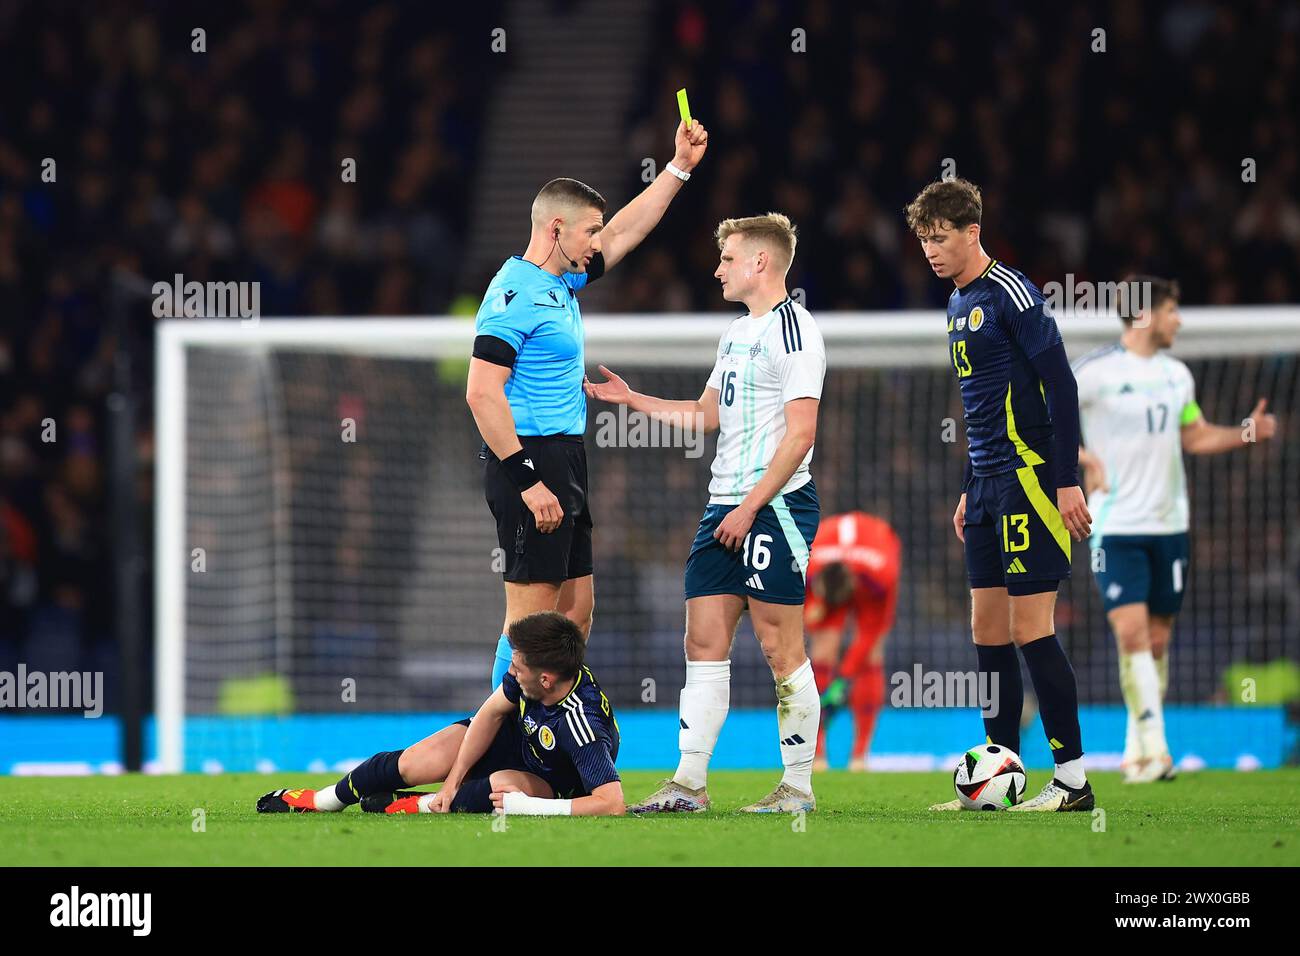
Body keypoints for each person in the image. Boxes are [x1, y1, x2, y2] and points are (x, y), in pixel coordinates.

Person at [586, 213, 826, 813]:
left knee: (779, 647)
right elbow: (705, 414)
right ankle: (688, 784)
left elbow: (800, 435)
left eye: (727, 258)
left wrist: (750, 507)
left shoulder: (794, 332)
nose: (716, 268)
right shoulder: (735, 334)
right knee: (702, 639)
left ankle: (797, 786)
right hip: (724, 505)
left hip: (776, 507)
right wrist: (632, 399)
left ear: (760, 263)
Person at [466, 118, 709, 688]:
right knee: (529, 623)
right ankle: (499, 740)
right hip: (530, 460)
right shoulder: (514, 294)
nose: (598, 243)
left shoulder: (562, 282)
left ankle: (542, 739)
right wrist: (528, 480)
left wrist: (678, 168)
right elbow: (481, 391)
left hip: (566, 457)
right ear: (556, 229)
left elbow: (626, 232)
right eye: (589, 232)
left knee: (574, 616)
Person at [907, 178, 1095, 812]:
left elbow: (1060, 388)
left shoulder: (1013, 293)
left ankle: (1072, 781)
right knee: (987, 631)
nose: (930, 251)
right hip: (986, 484)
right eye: (923, 241)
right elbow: (981, 408)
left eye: (939, 238)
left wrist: (1065, 479)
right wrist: (969, 486)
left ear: (971, 232)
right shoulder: (956, 303)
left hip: (1030, 478)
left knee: (1030, 628)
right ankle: (997, 779)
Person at [1074, 275, 1278, 783]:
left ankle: (1133, 748)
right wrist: (1077, 459)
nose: (1179, 320)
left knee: (1156, 642)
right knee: (1132, 632)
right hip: (1116, 525)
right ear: (1146, 314)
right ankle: (1157, 748)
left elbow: (1194, 434)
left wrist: (1245, 433)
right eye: (1171, 310)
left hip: (1170, 524)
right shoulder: (1095, 372)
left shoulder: (1177, 376)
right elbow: (1038, 416)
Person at [256, 611, 624, 816]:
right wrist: (453, 779)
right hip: (515, 739)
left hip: (552, 782)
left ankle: (417, 805)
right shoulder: (530, 678)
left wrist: (532, 808)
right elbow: (491, 713)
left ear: (545, 679)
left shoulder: (581, 724)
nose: (510, 671)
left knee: (503, 786)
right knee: (415, 763)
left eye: (517, 666)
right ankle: (322, 801)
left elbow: (612, 804)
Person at [804, 511, 901, 770]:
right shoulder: (807, 567)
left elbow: (870, 635)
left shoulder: (881, 577)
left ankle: (860, 755)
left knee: (871, 654)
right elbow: (808, 620)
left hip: (871, 564)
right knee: (822, 650)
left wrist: (843, 679)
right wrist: (818, 609)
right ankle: (817, 753)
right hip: (829, 557)